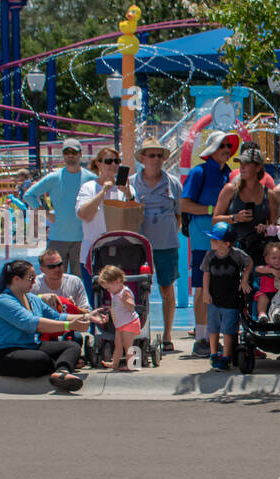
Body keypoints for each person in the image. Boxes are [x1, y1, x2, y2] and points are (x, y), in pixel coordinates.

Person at [0, 260, 104, 390]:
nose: (34, 282)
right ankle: (65, 363)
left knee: (72, 346)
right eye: (31, 278)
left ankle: (62, 372)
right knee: (41, 359)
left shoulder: (32, 299)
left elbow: (57, 316)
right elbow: (31, 323)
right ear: (16, 279)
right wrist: (69, 326)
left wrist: (87, 317)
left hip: (27, 347)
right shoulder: (3, 301)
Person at [181, 131, 238, 351]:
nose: (226, 149)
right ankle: (201, 338)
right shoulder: (199, 172)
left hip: (225, 241)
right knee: (200, 288)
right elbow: (184, 204)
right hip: (203, 240)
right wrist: (214, 210)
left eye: (228, 146)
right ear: (211, 149)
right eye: (221, 145)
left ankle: (219, 336)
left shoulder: (231, 174)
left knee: (224, 287)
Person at [129, 136, 182, 353]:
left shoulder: (173, 183)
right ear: (142, 158)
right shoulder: (130, 183)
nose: (156, 159)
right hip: (138, 245)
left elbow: (179, 215)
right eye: (152, 155)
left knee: (167, 289)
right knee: (137, 291)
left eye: (160, 155)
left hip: (166, 244)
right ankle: (137, 333)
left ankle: (168, 334)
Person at [23, 140, 96, 276]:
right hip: (57, 238)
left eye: (73, 152)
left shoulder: (91, 178)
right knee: (53, 279)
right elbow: (29, 195)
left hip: (83, 239)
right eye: (66, 152)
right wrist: (45, 213)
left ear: (80, 154)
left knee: (80, 283)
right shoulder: (54, 177)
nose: (70, 155)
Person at [75, 146, 131, 296]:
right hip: (93, 254)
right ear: (98, 164)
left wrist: (129, 195)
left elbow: (135, 220)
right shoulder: (88, 187)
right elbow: (84, 214)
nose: (113, 165)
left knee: (120, 299)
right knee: (96, 299)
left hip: (120, 253)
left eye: (116, 161)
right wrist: (103, 192)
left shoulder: (125, 188)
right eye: (108, 161)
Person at [200, 223, 253, 371]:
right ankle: (213, 354)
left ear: (226, 243)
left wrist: (244, 279)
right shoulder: (209, 255)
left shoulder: (236, 255)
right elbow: (206, 273)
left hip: (231, 299)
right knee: (213, 328)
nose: (211, 242)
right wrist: (205, 292)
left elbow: (249, 263)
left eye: (215, 240)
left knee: (229, 330)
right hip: (214, 299)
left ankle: (226, 356)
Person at [97, 265, 141, 371]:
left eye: (108, 288)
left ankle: (131, 365)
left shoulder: (125, 292)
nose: (108, 291)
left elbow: (131, 307)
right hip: (120, 324)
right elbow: (117, 306)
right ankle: (114, 364)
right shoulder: (115, 293)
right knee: (118, 346)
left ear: (117, 281)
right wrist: (110, 308)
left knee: (127, 346)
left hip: (130, 323)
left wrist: (125, 301)